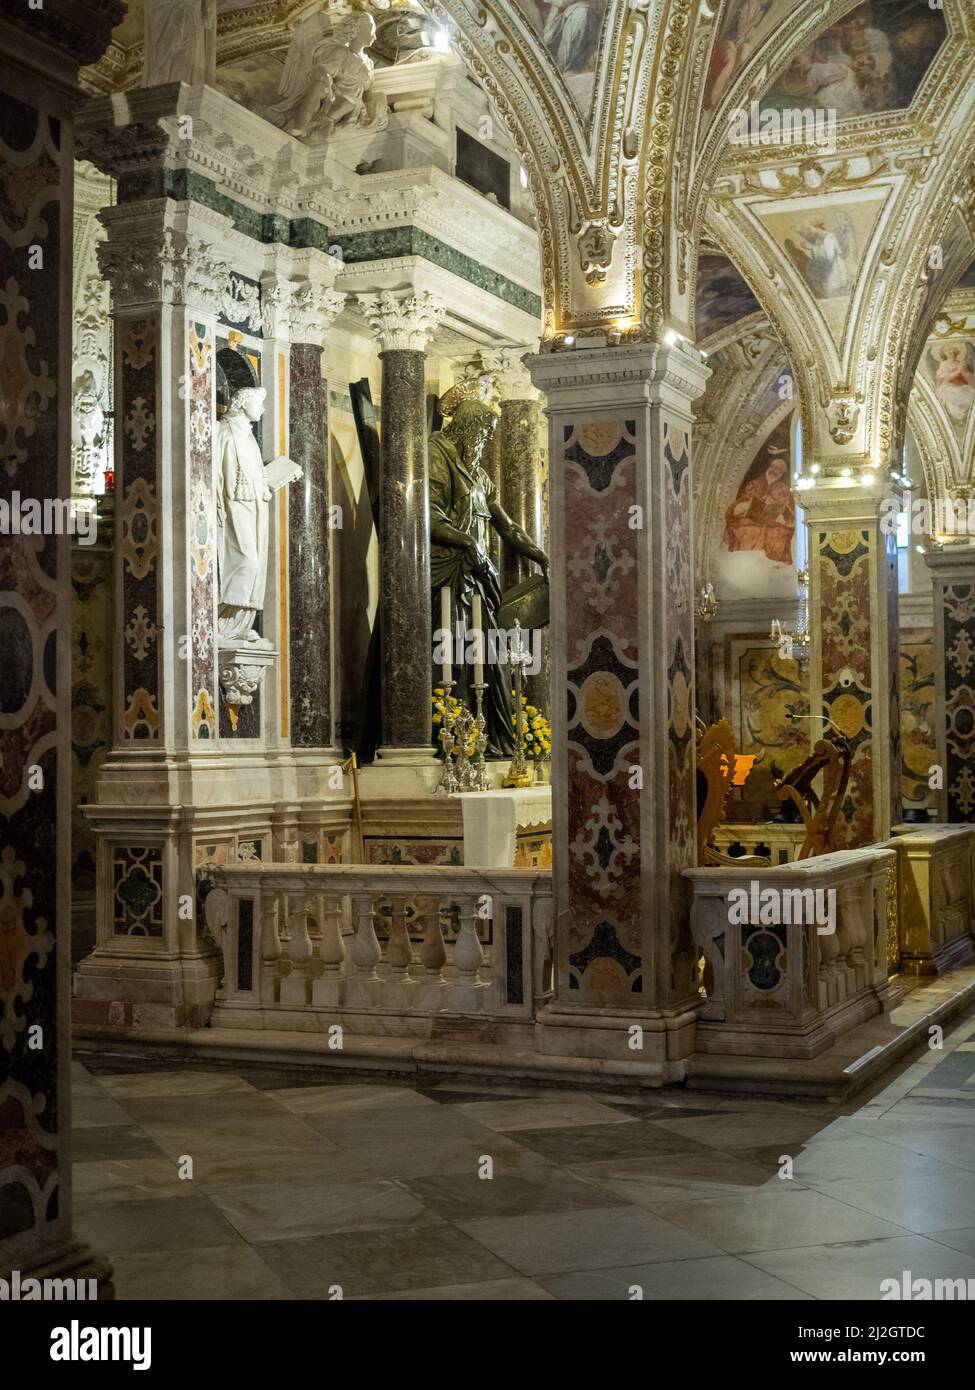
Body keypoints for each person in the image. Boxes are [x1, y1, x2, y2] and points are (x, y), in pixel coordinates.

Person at [429, 397, 548, 755]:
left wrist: (542, 556)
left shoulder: (479, 476)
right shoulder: (439, 457)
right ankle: (453, 733)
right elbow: (430, 516)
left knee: (489, 657)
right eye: (483, 435)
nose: (484, 444)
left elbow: (508, 527)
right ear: (469, 431)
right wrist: (468, 543)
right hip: (450, 574)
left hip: (480, 577)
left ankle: (490, 734)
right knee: (453, 650)